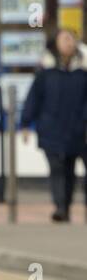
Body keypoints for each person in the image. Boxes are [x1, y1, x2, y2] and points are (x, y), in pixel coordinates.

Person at [18, 27, 87, 223]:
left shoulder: (82, 71)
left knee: (69, 169)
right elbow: (34, 98)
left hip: (76, 129)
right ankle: (60, 207)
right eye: (65, 39)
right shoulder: (46, 71)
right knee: (56, 168)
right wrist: (25, 123)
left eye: (71, 39)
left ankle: (66, 204)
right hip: (51, 128)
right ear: (56, 43)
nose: (69, 42)